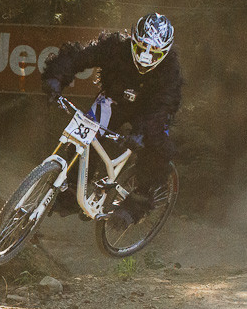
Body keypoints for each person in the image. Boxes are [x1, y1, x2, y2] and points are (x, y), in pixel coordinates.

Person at [41, 12, 182, 224]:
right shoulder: (116, 47)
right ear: (132, 41)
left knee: (158, 147)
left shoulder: (171, 70)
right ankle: (71, 190)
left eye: (153, 53)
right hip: (113, 100)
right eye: (141, 48)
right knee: (84, 135)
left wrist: (142, 133)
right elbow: (78, 56)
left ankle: (138, 201)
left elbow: (165, 106)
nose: (145, 57)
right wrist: (55, 77)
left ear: (164, 53)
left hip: (149, 113)